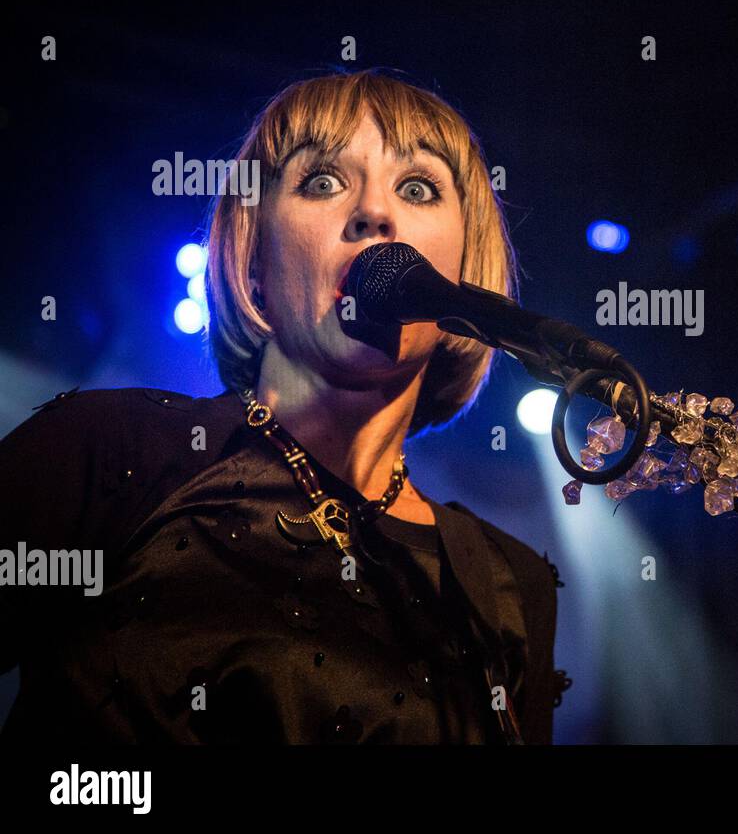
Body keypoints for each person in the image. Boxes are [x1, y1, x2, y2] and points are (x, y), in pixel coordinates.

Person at [0, 69, 562, 743]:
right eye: (322, 181)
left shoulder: (505, 587)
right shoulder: (111, 452)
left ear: (464, 272)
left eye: (418, 188)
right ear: (254, 256)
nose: (377, 213)